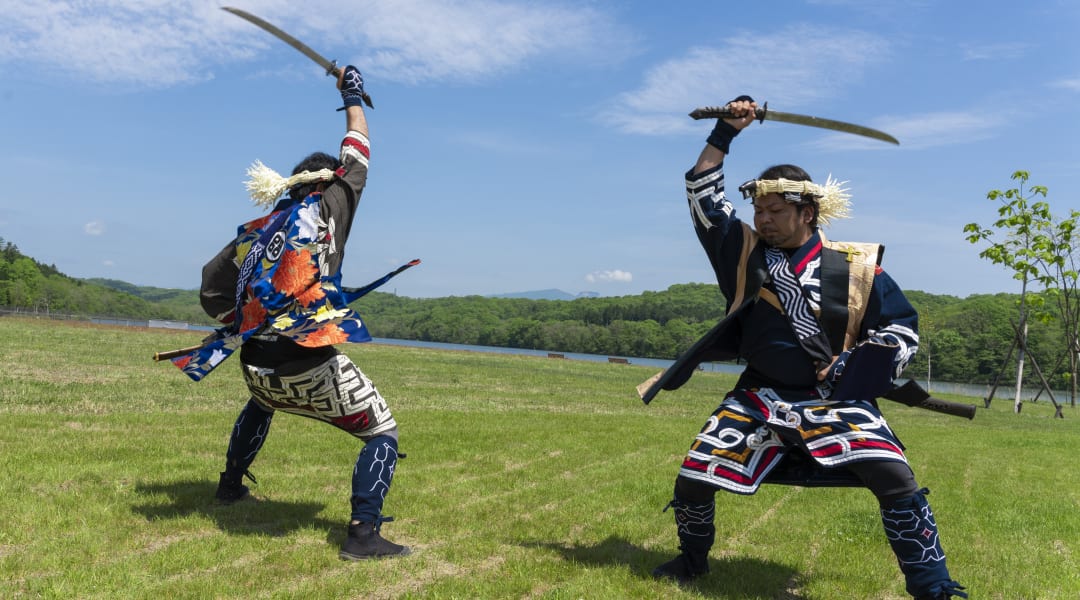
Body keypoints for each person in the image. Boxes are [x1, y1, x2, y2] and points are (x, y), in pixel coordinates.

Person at [639, 96, 966, 599]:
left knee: (895, 477)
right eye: (758, 210)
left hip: (838, 400)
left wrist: (861, 361)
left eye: (774, 210)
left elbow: (901, 328)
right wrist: (726, 131)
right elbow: (703, 196)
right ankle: (693, 560)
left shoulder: (858, 267)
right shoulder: (744, 254)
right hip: (758, 398)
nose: (763, 219)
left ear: (807, 212)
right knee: (693, 476)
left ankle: (934, 587)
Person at [195, 65, 411, 560]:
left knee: (262, 403)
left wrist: (243, 320)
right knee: (381, 432)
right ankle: (362, 534)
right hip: (309, 366)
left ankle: (229, 486)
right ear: (329, 181)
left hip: (255, 366)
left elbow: (212, 284)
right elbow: (358, 148)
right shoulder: (331, 204)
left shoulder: (262, 227)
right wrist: (352, 92)